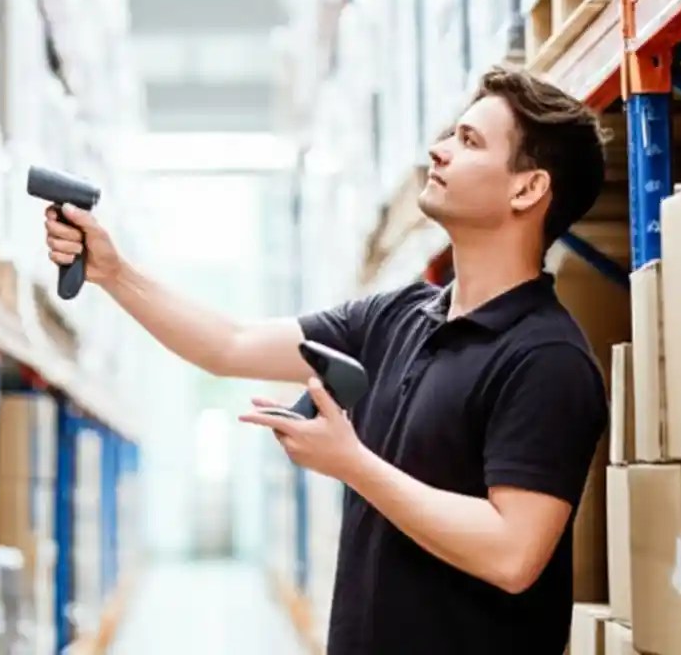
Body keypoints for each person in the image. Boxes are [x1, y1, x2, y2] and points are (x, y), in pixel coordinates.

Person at [44, 67, 610, 654]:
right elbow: (229, 344)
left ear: (527, 189)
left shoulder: (547, 359)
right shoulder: (397, 319)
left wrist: (352, 463)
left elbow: (512, 553)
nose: (437, 151)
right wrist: (113, 272)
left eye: (468, 141)